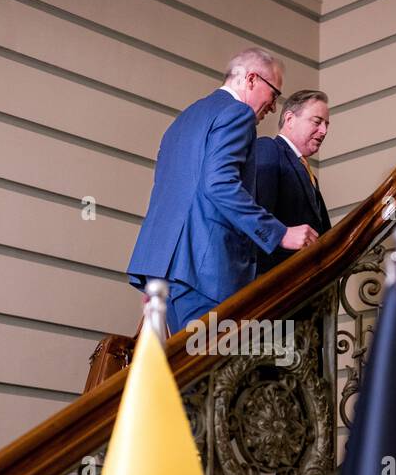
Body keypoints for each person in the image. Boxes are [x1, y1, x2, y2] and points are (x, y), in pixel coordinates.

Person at [125, 48, 320, 334]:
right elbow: (220, 184)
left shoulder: (185, 119)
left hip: (167, 273)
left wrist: (162, 278)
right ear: (252, 79)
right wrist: (280, 233)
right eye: (275, 94)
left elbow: (170, 191)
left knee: (186, 371)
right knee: (210, 372)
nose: (273, 107)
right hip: (207, 272)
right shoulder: (237, 113)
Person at [253, 90, 332, 276]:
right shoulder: (269, 149)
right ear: (289, 119)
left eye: (327, 124)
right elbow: (258, 218)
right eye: (317, 121)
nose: (324, 131)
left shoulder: (308, 172)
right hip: (276, 283)